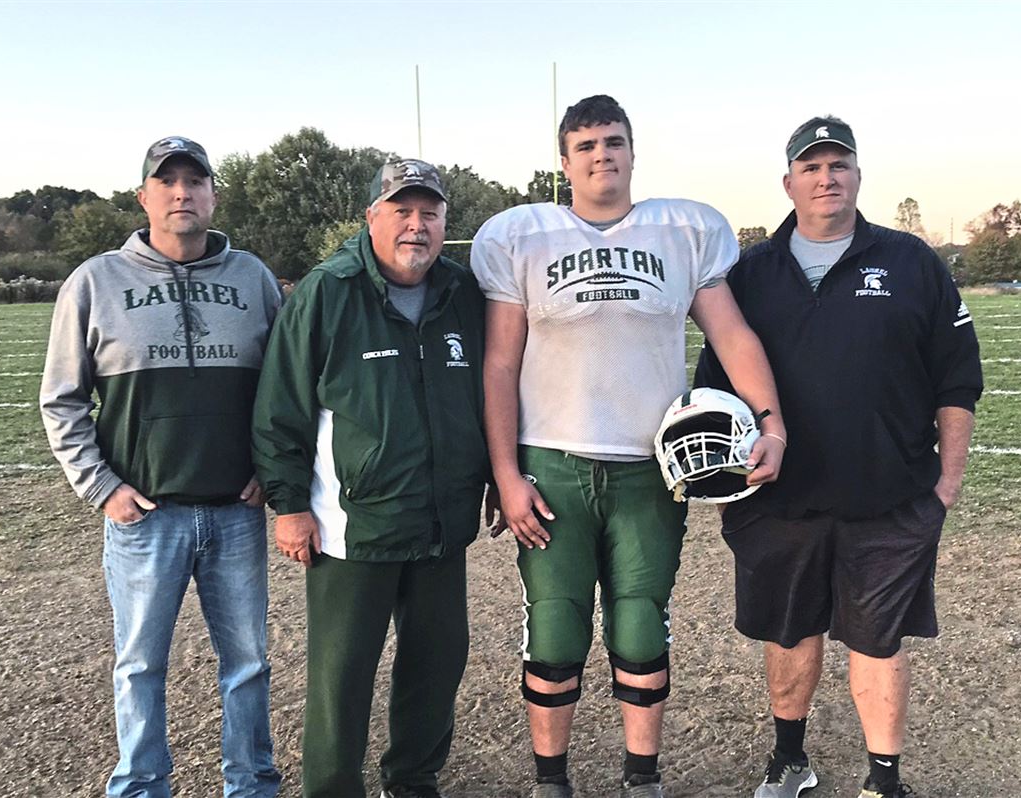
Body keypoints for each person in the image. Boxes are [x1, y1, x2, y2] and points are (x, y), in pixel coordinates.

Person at [470, 95, 786, 798]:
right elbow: (498, 362)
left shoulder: (681, 230)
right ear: (563, 163)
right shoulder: (522, 237)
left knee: (641, 627)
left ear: (633, 152)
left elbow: (731, 335)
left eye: (613, 142)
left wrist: (772, 423)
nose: (601, 156)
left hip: (649, 469)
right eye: (585, 147)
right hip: (550, 464)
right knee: (553, 634)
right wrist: (505, 471)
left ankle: (642, 777)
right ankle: (551, 781)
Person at [694, 116, 984, 798]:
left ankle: (885, 779)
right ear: (788, 181)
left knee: (879, 642)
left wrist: (946, 483)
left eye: (839, 165)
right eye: (812, 166)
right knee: (790, 636)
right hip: (779, 502)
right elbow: (716, 385)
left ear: (858, 175)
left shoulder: (912, 262)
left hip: (889, 498)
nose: (827, 178)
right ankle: (789, 760)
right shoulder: (750, 274)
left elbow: (958, 375)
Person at [39, 136, 282, 798]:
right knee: (141, 664)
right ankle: (142, 786)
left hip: (236, 513)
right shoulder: (95, 282)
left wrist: (273, 467)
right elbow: (60, 399)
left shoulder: (253, 279)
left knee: (249, 665)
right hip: (145, 519)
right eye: (166, 181)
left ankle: (253, 784)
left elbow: (285, 390)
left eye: (194, 180)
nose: (182, 192)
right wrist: (101, 488)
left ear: (212, 195)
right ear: (144, 196)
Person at [251, 159, 488, 798]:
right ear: (372, 218)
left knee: (437, 664)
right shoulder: (329, 292)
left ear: (445, 223)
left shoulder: (462, 292)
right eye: (402, 212)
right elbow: (281, 410)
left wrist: (490, 477)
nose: (417, 226)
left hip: (442, 519)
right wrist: (289, 506)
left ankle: (412, 781)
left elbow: (484, 395)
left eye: (430, 213)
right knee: (342, 676)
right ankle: (333, 788)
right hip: (354, 525)